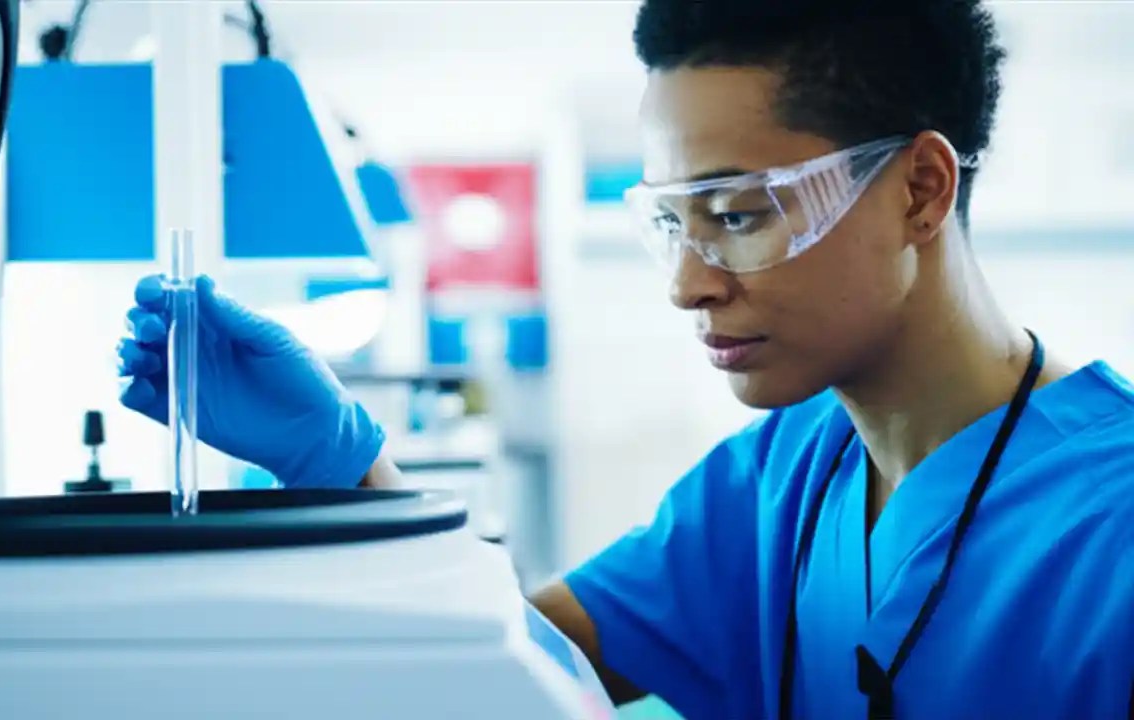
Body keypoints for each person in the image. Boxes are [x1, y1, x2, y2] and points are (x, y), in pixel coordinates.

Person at [117, 0, 1134, 717]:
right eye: (670, 223)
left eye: (736, 215)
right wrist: (342, 466)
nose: (687, 283)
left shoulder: (1109, 528)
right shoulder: (769, 486)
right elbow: (516, 671)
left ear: (917, 189)